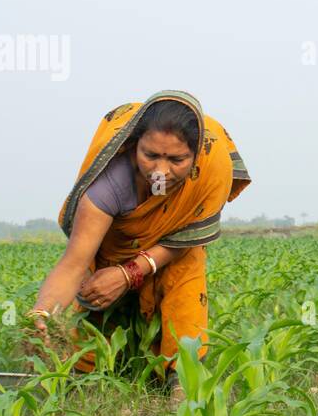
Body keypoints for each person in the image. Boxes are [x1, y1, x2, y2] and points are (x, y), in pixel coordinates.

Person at [28, 90, 250, 391]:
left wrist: (132, 272)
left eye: (177, 159)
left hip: (175, 251)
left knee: (185, 279)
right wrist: (42, 315)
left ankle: (182, 382)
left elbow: (187, 236)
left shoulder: (212, 170)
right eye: (150, 155)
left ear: (197, 155)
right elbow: (74, 263)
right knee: (94, 310)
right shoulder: (107, 188)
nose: (160, 171)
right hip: (113, 250)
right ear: (134, 146)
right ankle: (87, 376)